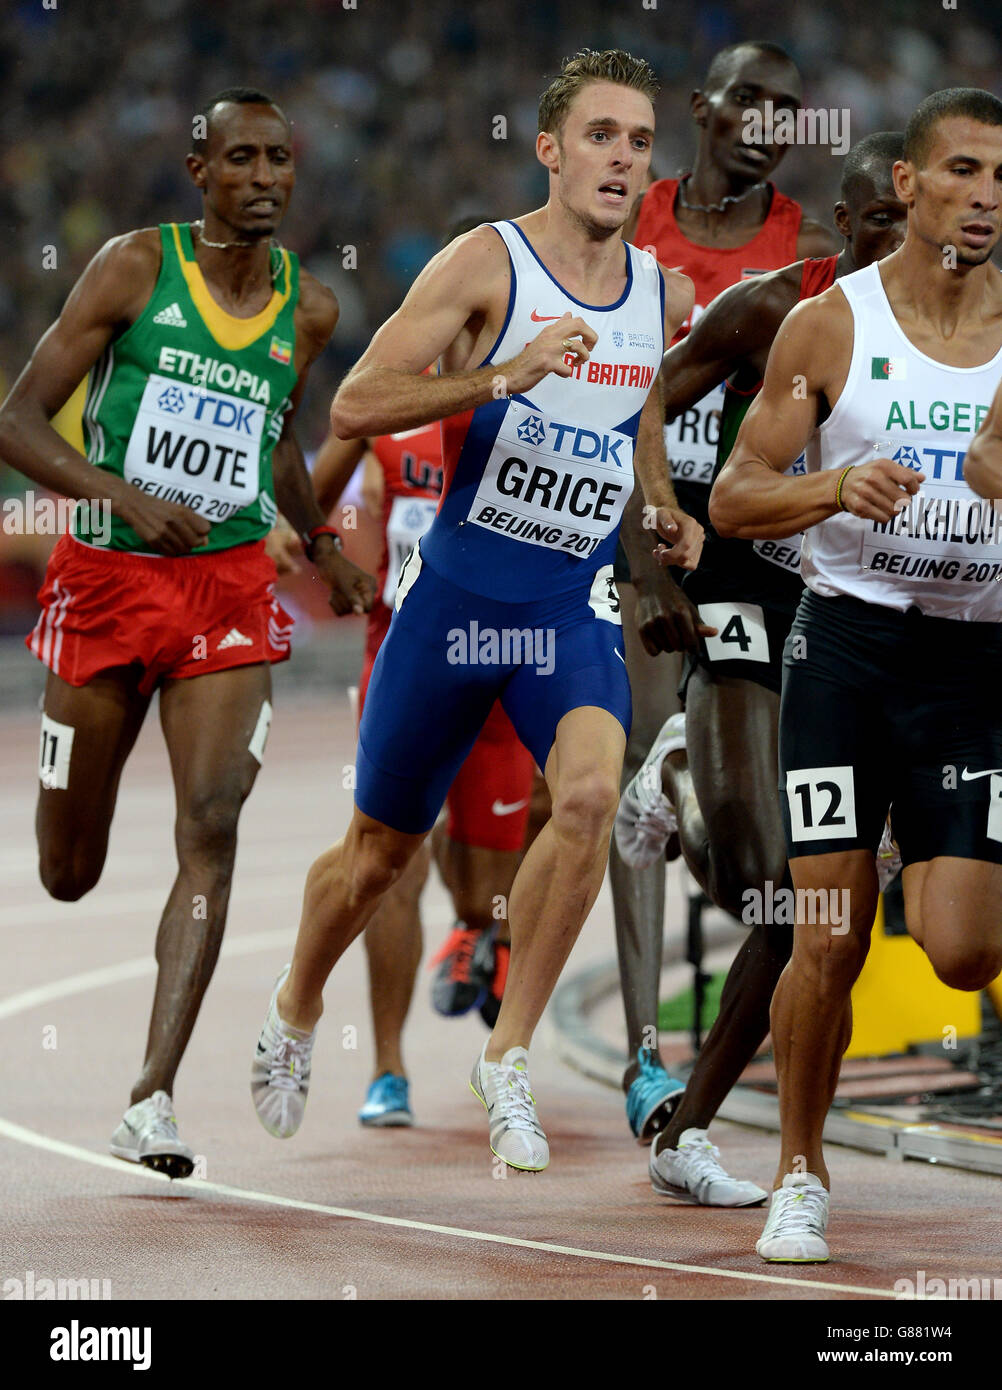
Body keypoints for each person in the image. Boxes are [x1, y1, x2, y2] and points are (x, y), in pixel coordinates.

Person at [250, 47, 703, 1172]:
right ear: (549, 151)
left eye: (640, 142)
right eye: (602, 136)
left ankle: (506, 1054)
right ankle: (297, 1005)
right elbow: (359, 397)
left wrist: (658, 505)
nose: (623, 159)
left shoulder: (658, 290)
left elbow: (638, 411)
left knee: (592, 793)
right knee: (375, 859)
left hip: (568, 601)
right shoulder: (487, 263)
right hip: (453, 601)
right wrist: (507, 372)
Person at [0, 88, 373, 1177]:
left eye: (281, 159)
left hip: (225, 596)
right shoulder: (131, 266)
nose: (264, 176)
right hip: (108, 583)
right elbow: (17, 418)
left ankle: (150, 1096)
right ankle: (75, 848)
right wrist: (123, 491)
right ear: (199, 168)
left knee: (213, 826)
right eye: (242, 158)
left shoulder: (310, 307)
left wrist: (324, 539)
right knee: (69, 868)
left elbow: (279, 438)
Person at [709, 87, 1002, 1261]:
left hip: (976, 663)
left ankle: (908, 838)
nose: (987, 199)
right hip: (849, 649)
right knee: (825, 932)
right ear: (909, 185)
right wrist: (834, 486)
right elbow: (735, 497)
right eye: (967, 171)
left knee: (965, 949)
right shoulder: (830, 328)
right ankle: (798, 1169)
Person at [614, 133, 906, 1203]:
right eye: (870, 221)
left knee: (799, 902)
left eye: (901, 224)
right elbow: (644, 397)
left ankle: (686, 1130)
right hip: (748, 581)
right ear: (843, 219)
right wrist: (657, 552)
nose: (890, 242)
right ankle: (677, 772)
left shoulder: (963, 329)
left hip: (856, 616)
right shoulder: (775, 307)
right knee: (746, 872)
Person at [612, 40, 839, 1140]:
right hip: (630, 524)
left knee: (750, 842)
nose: (766, 118)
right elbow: (612, 388)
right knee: (626, 756)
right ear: (702, 108)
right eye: (748, 97)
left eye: (787, 107)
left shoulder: (808, 259)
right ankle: (643, 1057)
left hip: (748, 549)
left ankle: (681, 800)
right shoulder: (626, 219)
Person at [311, 408, 536, 1124]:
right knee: (386, 865)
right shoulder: (385, 409)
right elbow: (302, 501)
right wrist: (321, 550)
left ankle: (482, 931)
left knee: (482, 894)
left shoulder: (526, 402)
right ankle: (387, 1070)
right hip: (403, 661)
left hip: (499, 662)